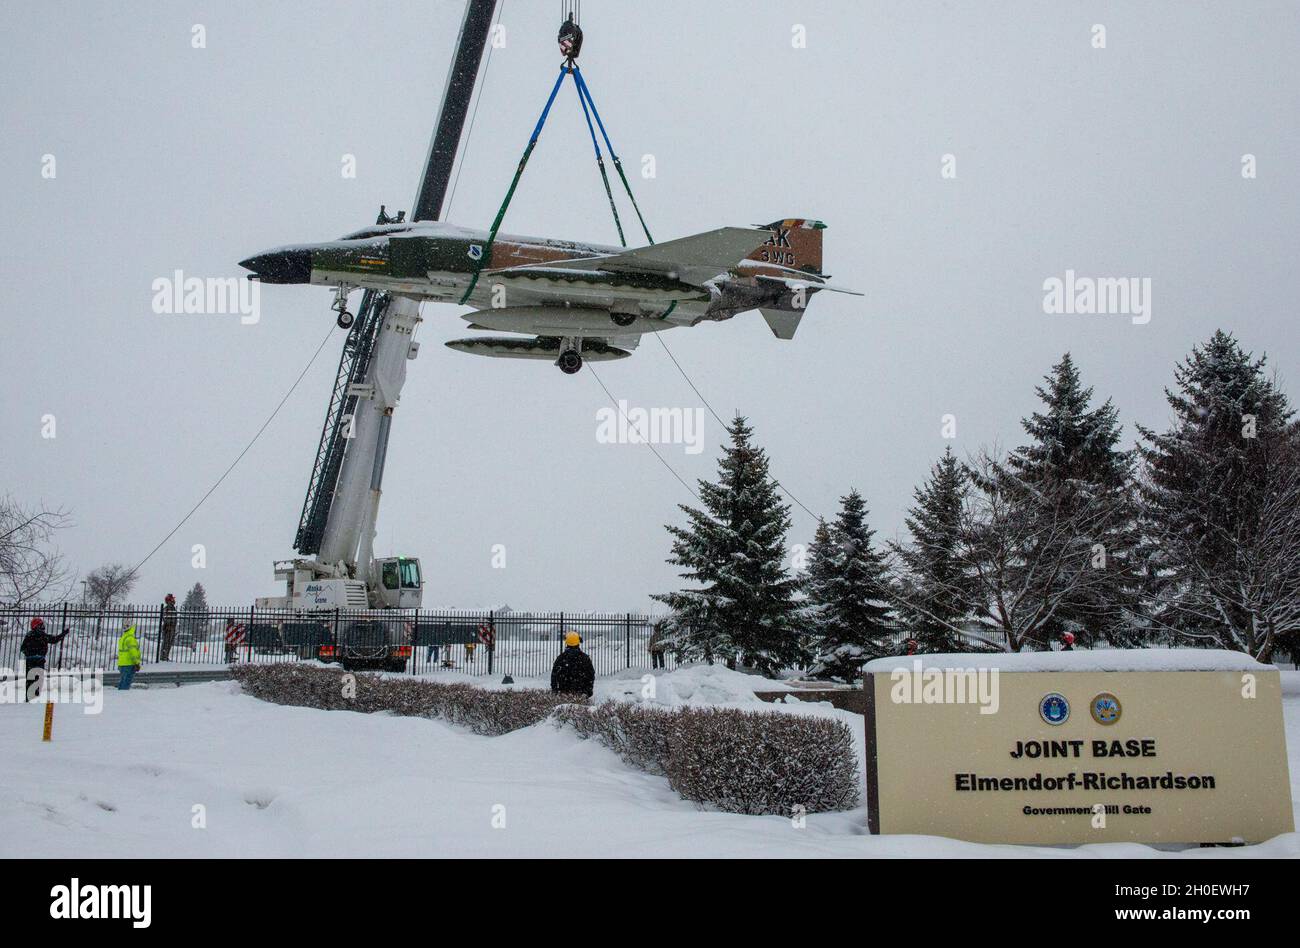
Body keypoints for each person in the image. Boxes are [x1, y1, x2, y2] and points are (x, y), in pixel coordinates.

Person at [21, 617, 70, 700]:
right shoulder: (43, 636)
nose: (43, 627)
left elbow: (23, 648)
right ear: (37, 626)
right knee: (38, 681)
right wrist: (64, 633)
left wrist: (29, 654)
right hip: (39, 661)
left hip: (30, 662)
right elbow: (55, 640)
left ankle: (29, 699)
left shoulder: (29, 635)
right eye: (41, 625)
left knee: (30, 681)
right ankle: (34, 698)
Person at [550, 631, 595, 698]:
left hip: (564, 693)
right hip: (581, 693)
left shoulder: (561, 658)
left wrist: (555, 691)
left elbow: (554, 675)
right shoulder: (585, 658)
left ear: (566, 643)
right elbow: (590, 675)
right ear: (578, 642)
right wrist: (587, 692)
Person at [117, 621, 141, 691]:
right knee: (126, 683)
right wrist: (137, 662)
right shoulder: (130, 639)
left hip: (122, 663)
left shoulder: (123, 637)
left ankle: (119, 697)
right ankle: (123, 698)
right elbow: (133, 652)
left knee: (122, 682)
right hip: (129, 663)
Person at [159, 593, 178, 662]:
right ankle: (163, 657)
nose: (174, 600)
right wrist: (169, 625)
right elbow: (166, 618)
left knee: (169, 644)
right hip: (168, 629)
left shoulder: (173, 608)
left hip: (172, 628)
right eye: (172, 599)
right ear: (169, 600)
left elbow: (174, 618)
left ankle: (165, 656)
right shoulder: (167, 608)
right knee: (166, 643)